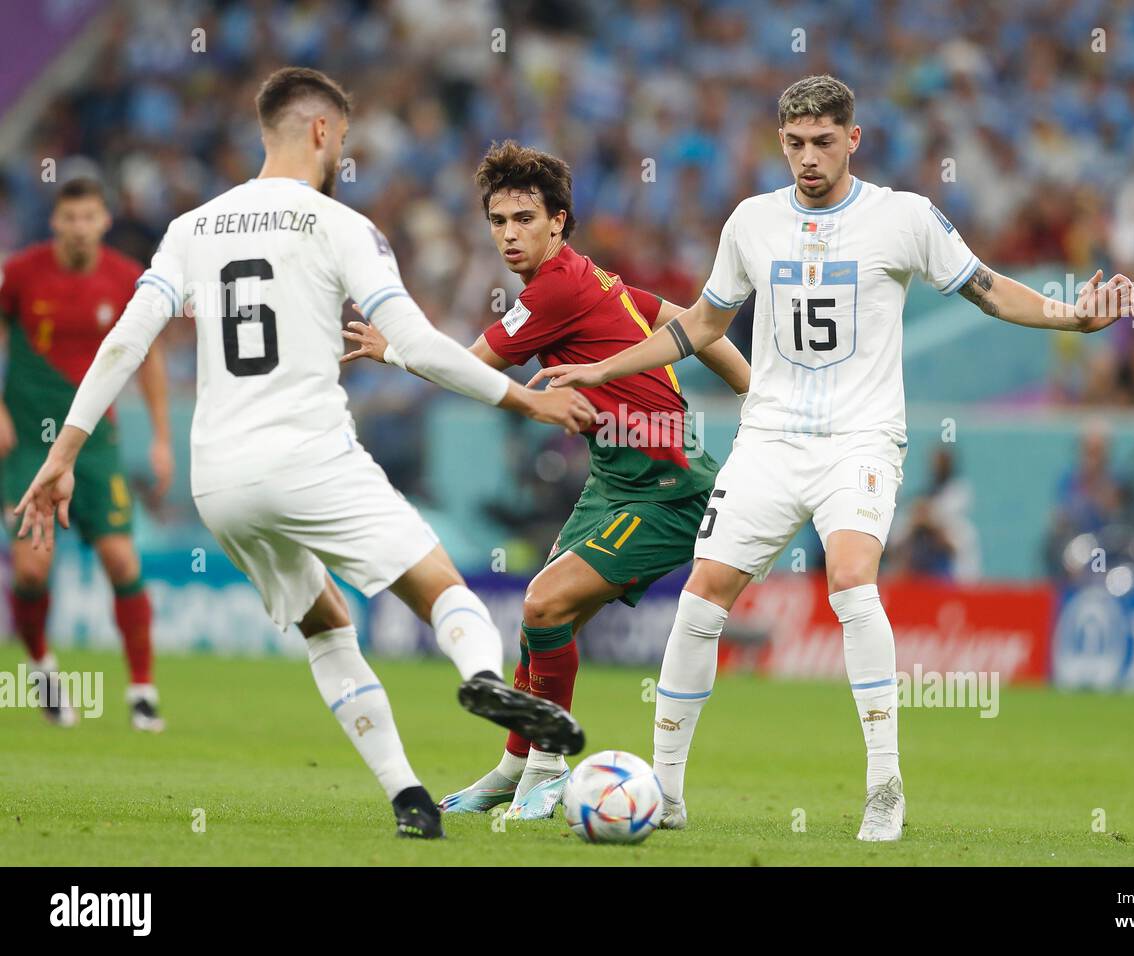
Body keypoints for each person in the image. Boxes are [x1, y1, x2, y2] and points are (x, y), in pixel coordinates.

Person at [536, 75, 1134, 842]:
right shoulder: (752, 222)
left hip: (860, 438)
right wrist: (600, 369)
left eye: (824, 141)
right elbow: (700, 326)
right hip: (769, 440)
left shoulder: (903, 217)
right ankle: (671, 792)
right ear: (778, 142)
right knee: (702, 595)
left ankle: (885, 788)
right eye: (794, 143)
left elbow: (986, 289)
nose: (809, 157)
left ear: (854, 139)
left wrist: (1071, 316)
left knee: (851, 578)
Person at [14, 67, 596, 841]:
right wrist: (529, 398)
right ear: (324, 132)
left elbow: (127, 339)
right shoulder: (339, 226)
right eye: (344, 139)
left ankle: (407, 798)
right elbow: (417, 344)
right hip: (310, 457)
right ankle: (483, 677)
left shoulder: (192, 226)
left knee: (324, 624)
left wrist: (64, 452)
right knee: (440, 589)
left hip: (219, 479)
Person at [341, 141, 750, 819]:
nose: (509, 234)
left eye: (524, 218)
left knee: (541, 607)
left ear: (558, 221)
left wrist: (396, 352)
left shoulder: (559, 288)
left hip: (664, 486)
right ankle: (513, 767)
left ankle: (549, 767)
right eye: (498, 220)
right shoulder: (590, 279)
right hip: (616, 479)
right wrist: (751, 387)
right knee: (542, 623)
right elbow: (679, 319)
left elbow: (472, 369)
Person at [0, 177, 173, 730]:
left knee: (121, 559)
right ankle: (43, 668)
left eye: (89, 217)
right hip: (28, 443)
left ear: (104, 221)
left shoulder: (126, 279)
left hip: (97, 446)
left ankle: (142, 691)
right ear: (55, 221)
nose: (78, 227)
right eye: (68, 217)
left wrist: (164, 439)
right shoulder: (21, 273)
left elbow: (148, 357)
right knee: (31, 570)